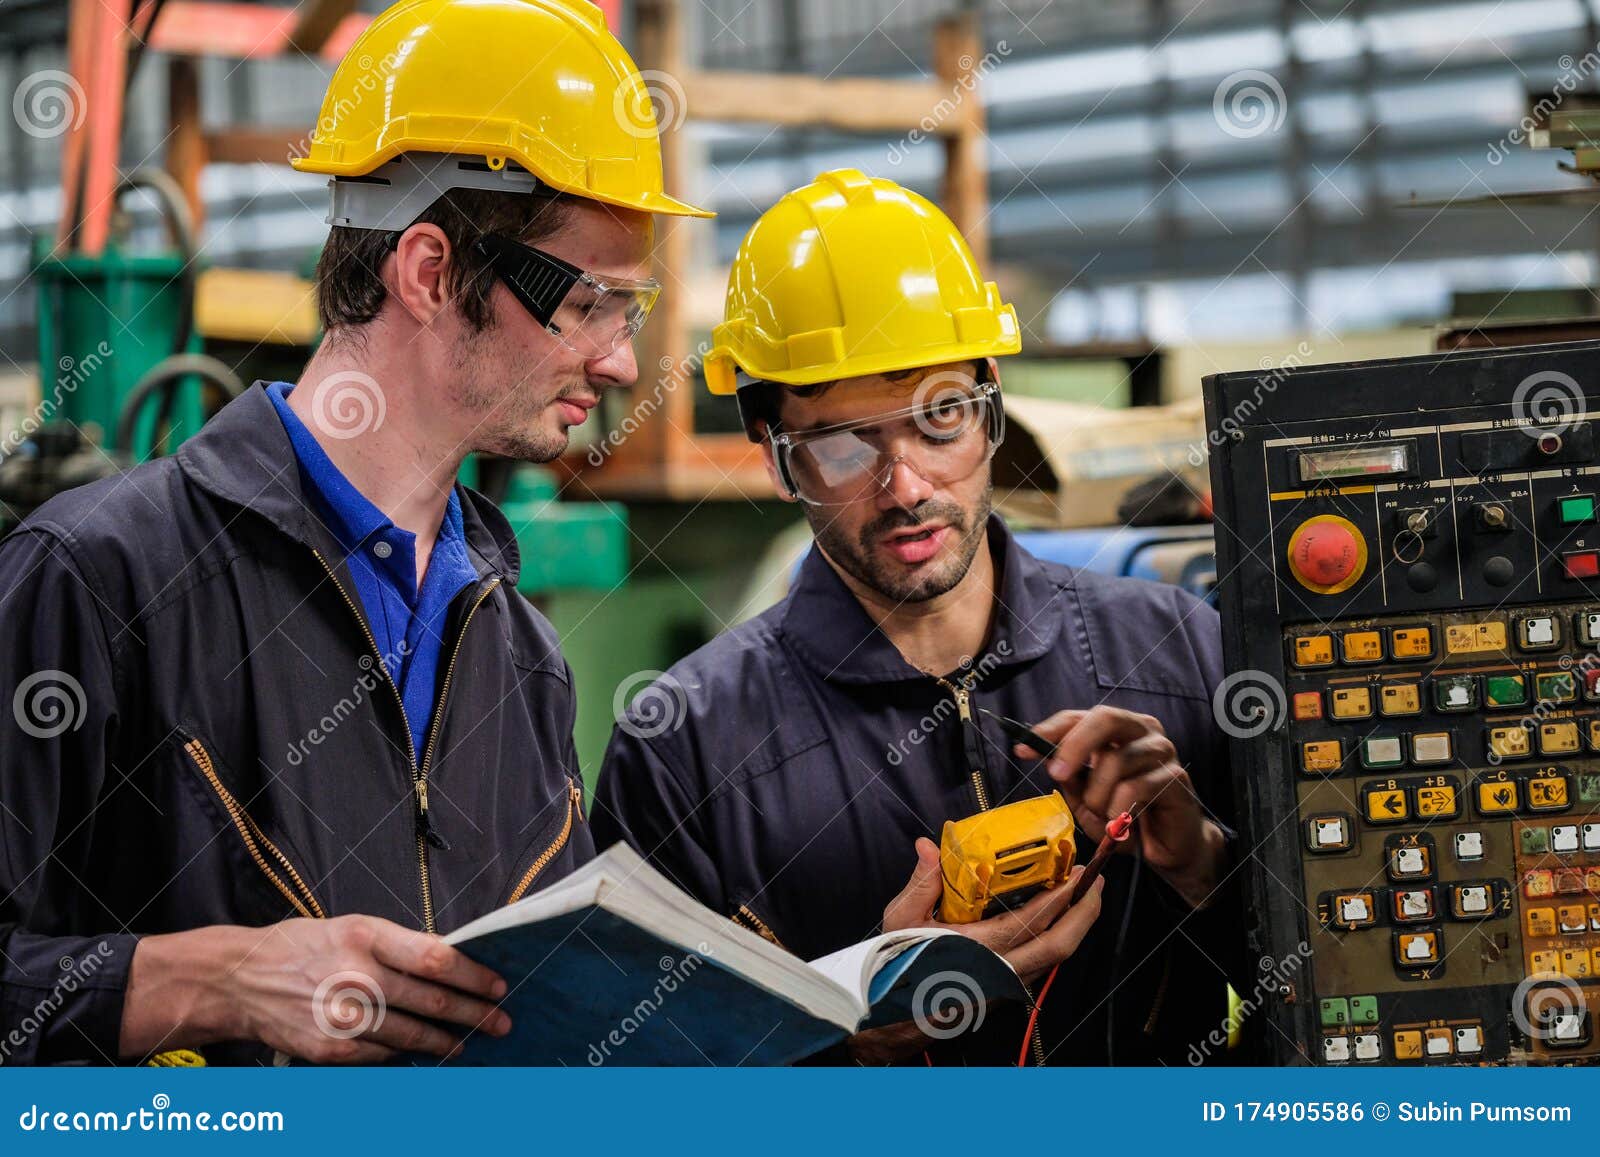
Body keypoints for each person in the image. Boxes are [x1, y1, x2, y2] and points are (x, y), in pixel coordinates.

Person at [0, 0, 711, 1066]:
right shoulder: (99, 578)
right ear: (428, 271)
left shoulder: (517, 648)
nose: (617, 361)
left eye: (631, 312)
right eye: (591, 303)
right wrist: (217, 980)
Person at [593, 169, 1245, 1065]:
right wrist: (860, 1035)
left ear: (992, 408)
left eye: (940, 420)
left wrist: (1203, 862)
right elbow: (641, 1091)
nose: (905, 487)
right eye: (839, 445)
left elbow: (1345, 983)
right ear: (780, 459)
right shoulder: (685, 752)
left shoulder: (1179, 652)